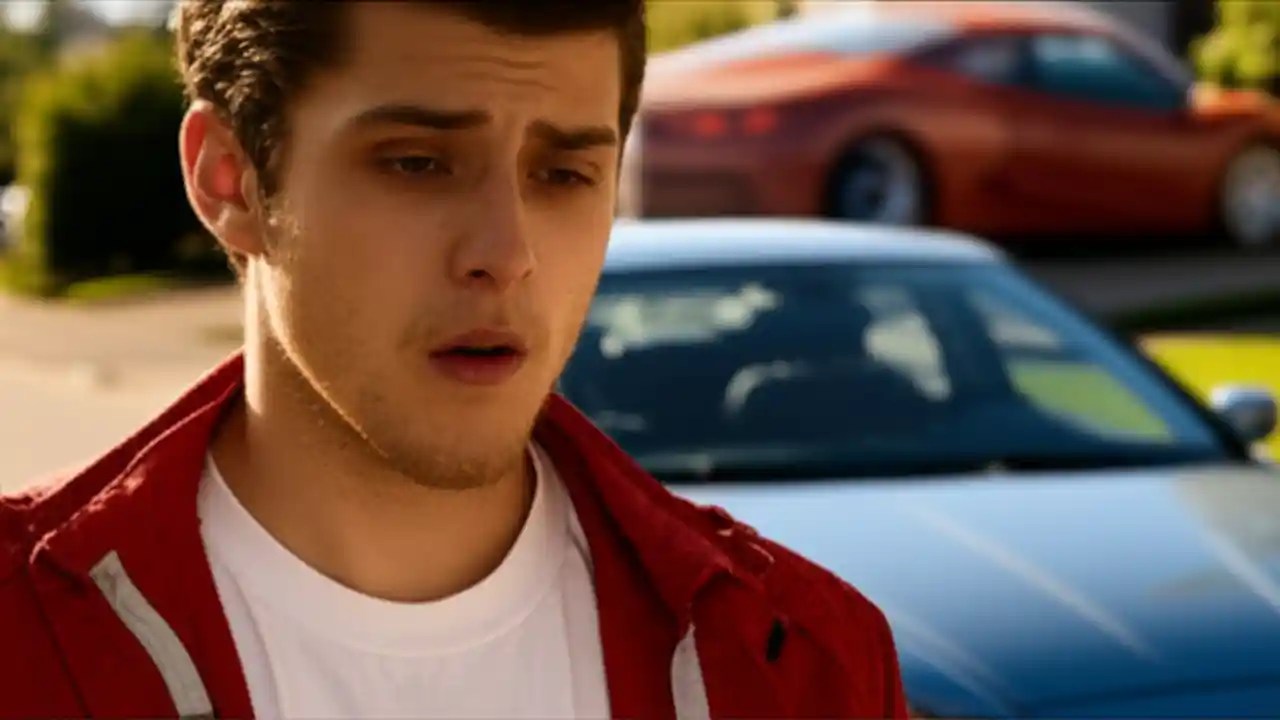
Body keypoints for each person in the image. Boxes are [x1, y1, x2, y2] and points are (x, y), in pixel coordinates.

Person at [0, 2, 909, 718]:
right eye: (418, 163)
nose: (505, 252)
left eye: (563, 174)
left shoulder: (805, 667)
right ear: (229, 182)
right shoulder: (22, 636)